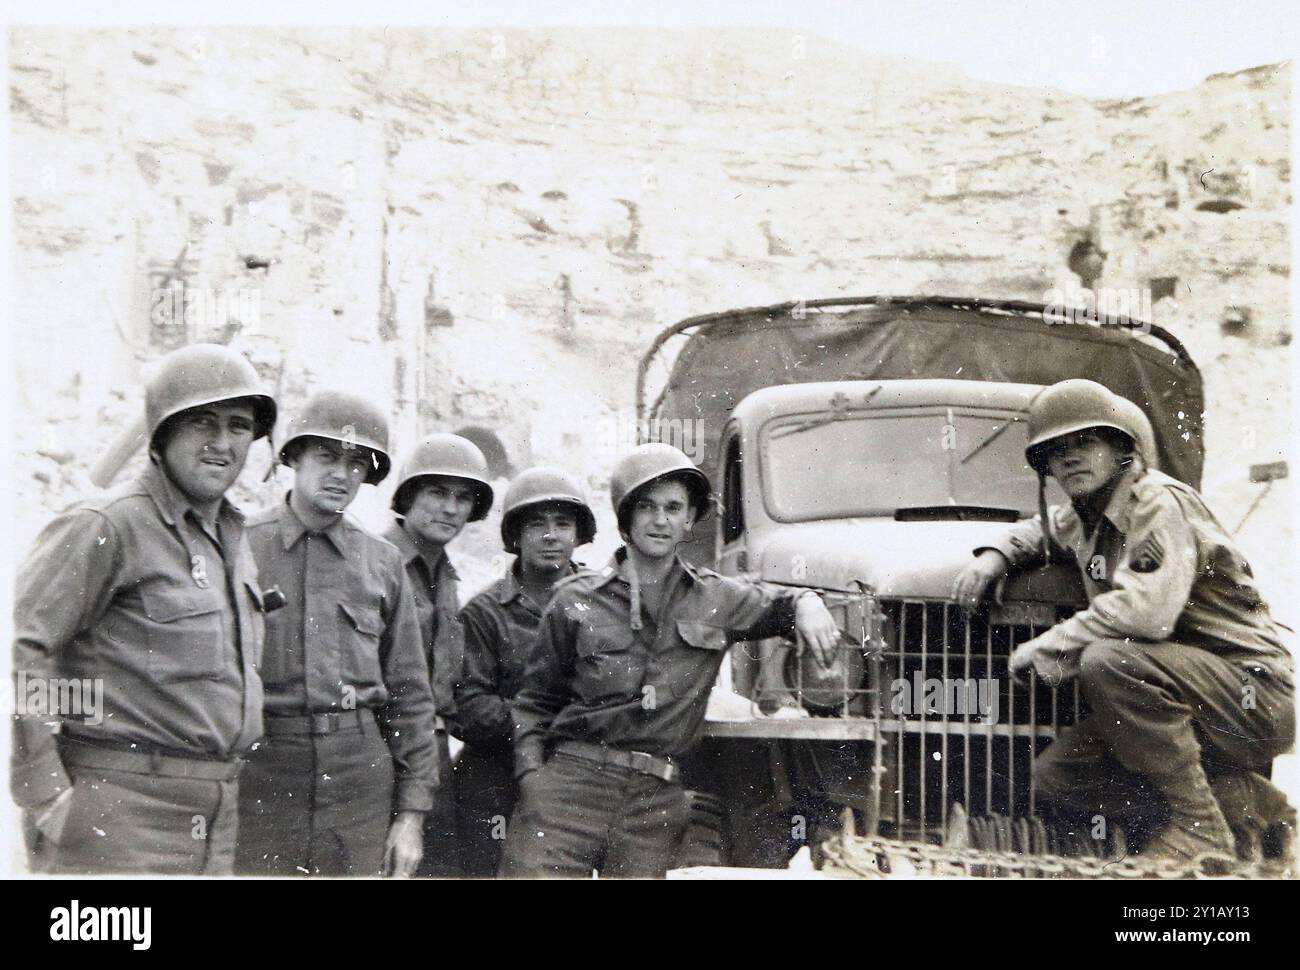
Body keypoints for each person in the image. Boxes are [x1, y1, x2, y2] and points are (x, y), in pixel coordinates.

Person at [952, 379, 1296, 863]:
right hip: (1185, 694)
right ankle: (1245, 805)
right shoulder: (1090, 514)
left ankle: (1200, 831)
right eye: (1055, 451)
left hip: (1251, 694)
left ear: (1121, 449)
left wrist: (1046, 648)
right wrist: (995, 555)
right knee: (1057, 777)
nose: (1069, 457)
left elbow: (1145, 614)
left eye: (1084, 442)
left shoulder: (1157, 502)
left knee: (1109, 660)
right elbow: (1043, 529)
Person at [500, 443, 841, 878]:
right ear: (626, 519)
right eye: (646, 506)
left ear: (688, 521)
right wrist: (534, 781)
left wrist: (807, 603)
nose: (660, 520)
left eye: (673, 508)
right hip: (570, 789)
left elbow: (780, 602)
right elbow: (535, 703)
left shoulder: (718, 598)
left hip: (654, 802)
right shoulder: (574, 601)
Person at [12, 344, 276, 874]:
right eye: (202, 422)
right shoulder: (107, 524)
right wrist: (46, 793)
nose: (222, 443)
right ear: (162, 435)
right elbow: (26, 649)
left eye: (239, 426)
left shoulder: (229, 535)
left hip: (214, 812)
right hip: (120, 811)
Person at [235, 390, 438, 877]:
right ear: (294, 458)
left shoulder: (383, 564)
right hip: (263, 773)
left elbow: (410, 696)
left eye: (355, 463)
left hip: (358, 778)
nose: (340, 474)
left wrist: (410, 816)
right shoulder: (239, 545)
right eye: (326, 456)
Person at [456, 467, 596, 876]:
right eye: (536, 524)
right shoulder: (484, 614)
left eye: (562, 523)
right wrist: (543, 726)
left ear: (579, 533)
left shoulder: (606, 603)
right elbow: (469, 707)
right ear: (515, 535)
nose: (550, 535)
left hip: (579, 781)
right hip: (498, 781)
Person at [380, 433, 494, 877]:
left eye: (463, 498)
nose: (450, 508)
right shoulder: (375, 562)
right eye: (437, 493)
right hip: (383, 752)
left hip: (434, 752)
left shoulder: (445, 575)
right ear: (408, 496)